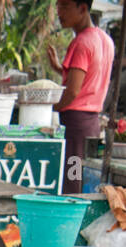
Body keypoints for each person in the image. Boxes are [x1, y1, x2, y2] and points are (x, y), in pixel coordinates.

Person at [47, 0, 115, 193]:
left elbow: (73, 91)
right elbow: (88, 77)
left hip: (76, 123)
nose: (59, 12)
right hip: (91, 121)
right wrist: (60, 69)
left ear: (83, 8)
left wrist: (53, 109)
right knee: (79, 172)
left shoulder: (81, 42)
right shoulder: (105, 39)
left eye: (65, 6)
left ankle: (72, 215)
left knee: (72, 175)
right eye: (58, 6)